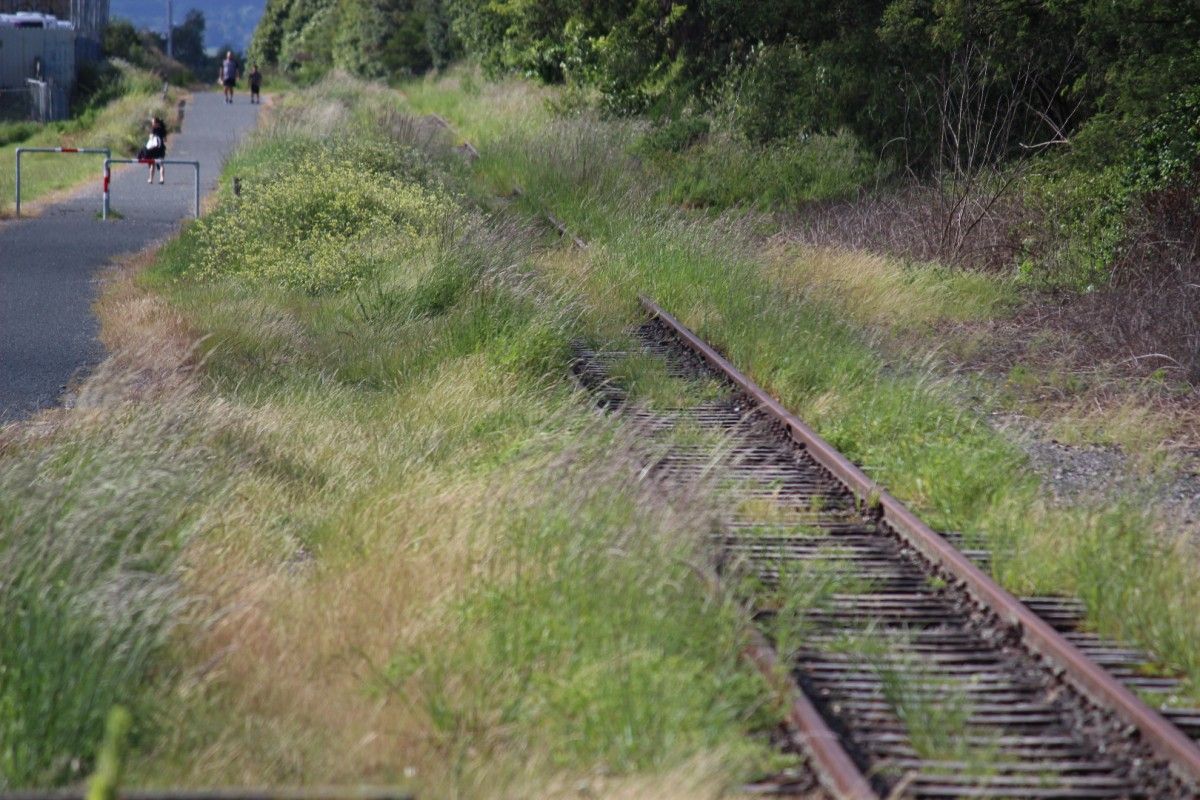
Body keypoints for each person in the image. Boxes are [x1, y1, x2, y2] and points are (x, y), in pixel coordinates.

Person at [139, 116, 167, 184]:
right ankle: (161, 179)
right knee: (161, 164)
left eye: (153, 122)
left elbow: (151, 138)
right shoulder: (163, 129)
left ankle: (151, 179)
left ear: (157, 123)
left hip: (153, 149)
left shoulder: (153, 130)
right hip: (160, 149)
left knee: (152, 164)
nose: (152, 123)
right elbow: (165, 139)